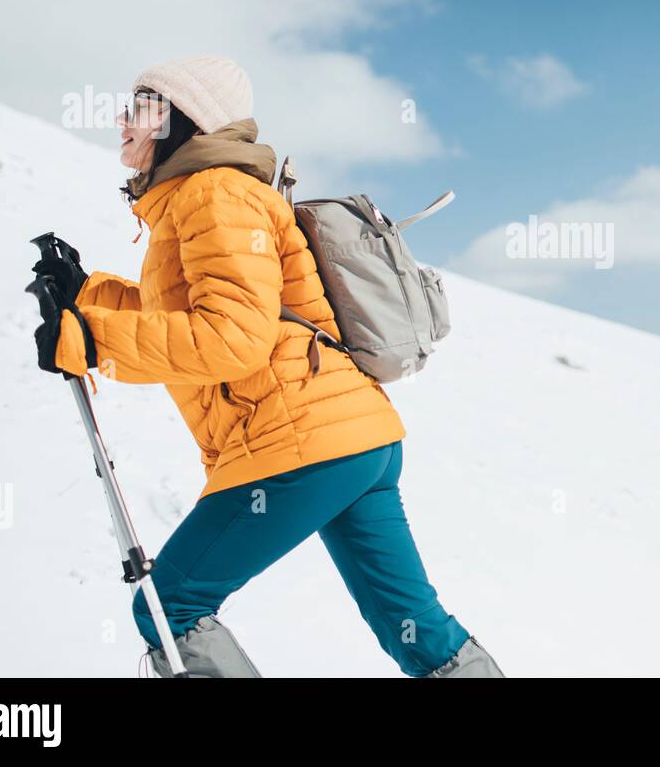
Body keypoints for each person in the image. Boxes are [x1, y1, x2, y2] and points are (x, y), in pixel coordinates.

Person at [31, 55, 504, 678]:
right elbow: (195, 310)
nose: (122, 120)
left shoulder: (215, 194)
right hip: (352, 440)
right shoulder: (203, 197)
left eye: (141, 108)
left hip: (299, 443)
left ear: (183, 122)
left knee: (169, 608)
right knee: (415, 626)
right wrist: (89, 294)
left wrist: (90, 340)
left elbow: (231, 339)